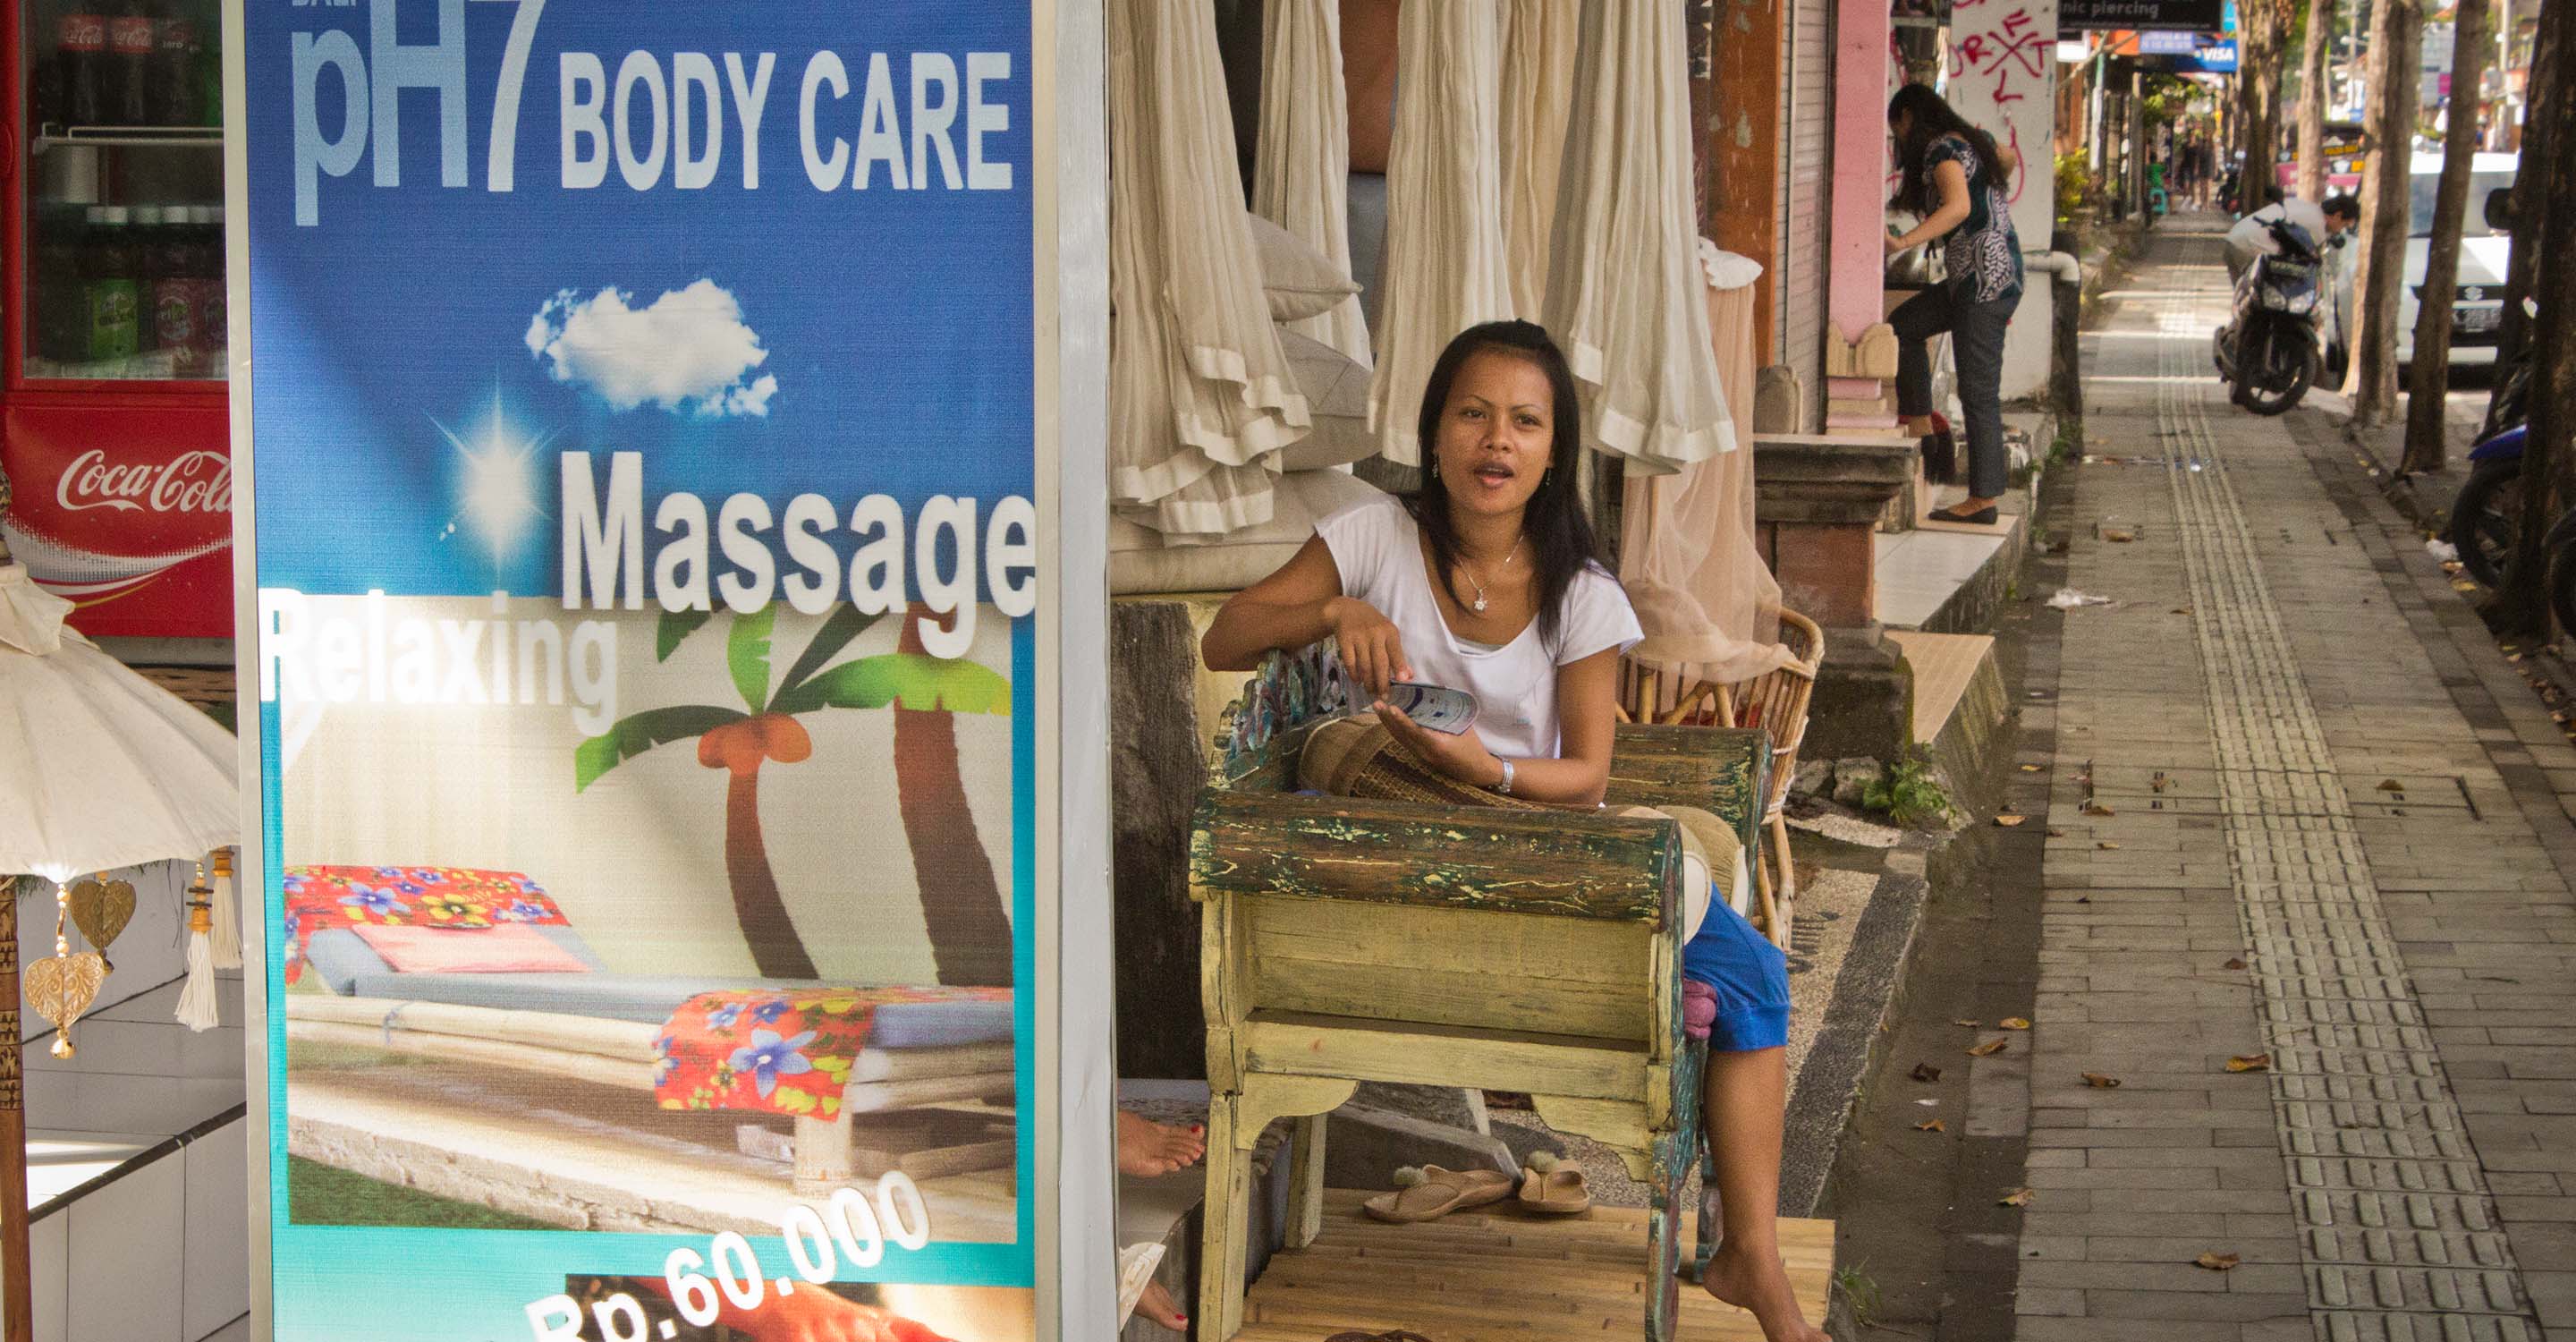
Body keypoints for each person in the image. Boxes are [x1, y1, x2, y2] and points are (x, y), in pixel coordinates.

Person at [1201, 319, 1825, 1342]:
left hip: (1535, 850)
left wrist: (1478, 767)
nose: (1497, 442)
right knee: (1745, 965)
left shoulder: (1584, 594)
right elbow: (1230, 636)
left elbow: (1583, 777)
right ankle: (1755, 1257)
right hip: (1412, 864)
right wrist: (1333, 615)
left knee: (1750, 972)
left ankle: (1753, 1254)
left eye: (1525, 423)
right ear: (1436, 435)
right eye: (1474, 414)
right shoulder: (1368, 539)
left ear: (1552, 452)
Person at [1883, 83, 2023, 527]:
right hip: (1975, 281)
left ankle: (1983, 498)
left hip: (1985, 284)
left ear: (1908, 117)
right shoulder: (1969, 142)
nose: (1897, 140)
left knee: (1979, 392)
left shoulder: (1941, 150)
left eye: (1896, 129)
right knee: (1904, 324)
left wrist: (1902, 243)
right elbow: (2008, 157)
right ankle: (1920, 420)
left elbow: (1959, 207)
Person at [2224, 189, 2360, 285]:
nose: (2341, 230)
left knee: (2243, 300)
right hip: (2249, 247)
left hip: (2234, 239)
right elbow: (2309, 263)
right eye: (2344, 225)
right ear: (2337, 216)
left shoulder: (2305, 206)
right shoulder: (2317, 227)